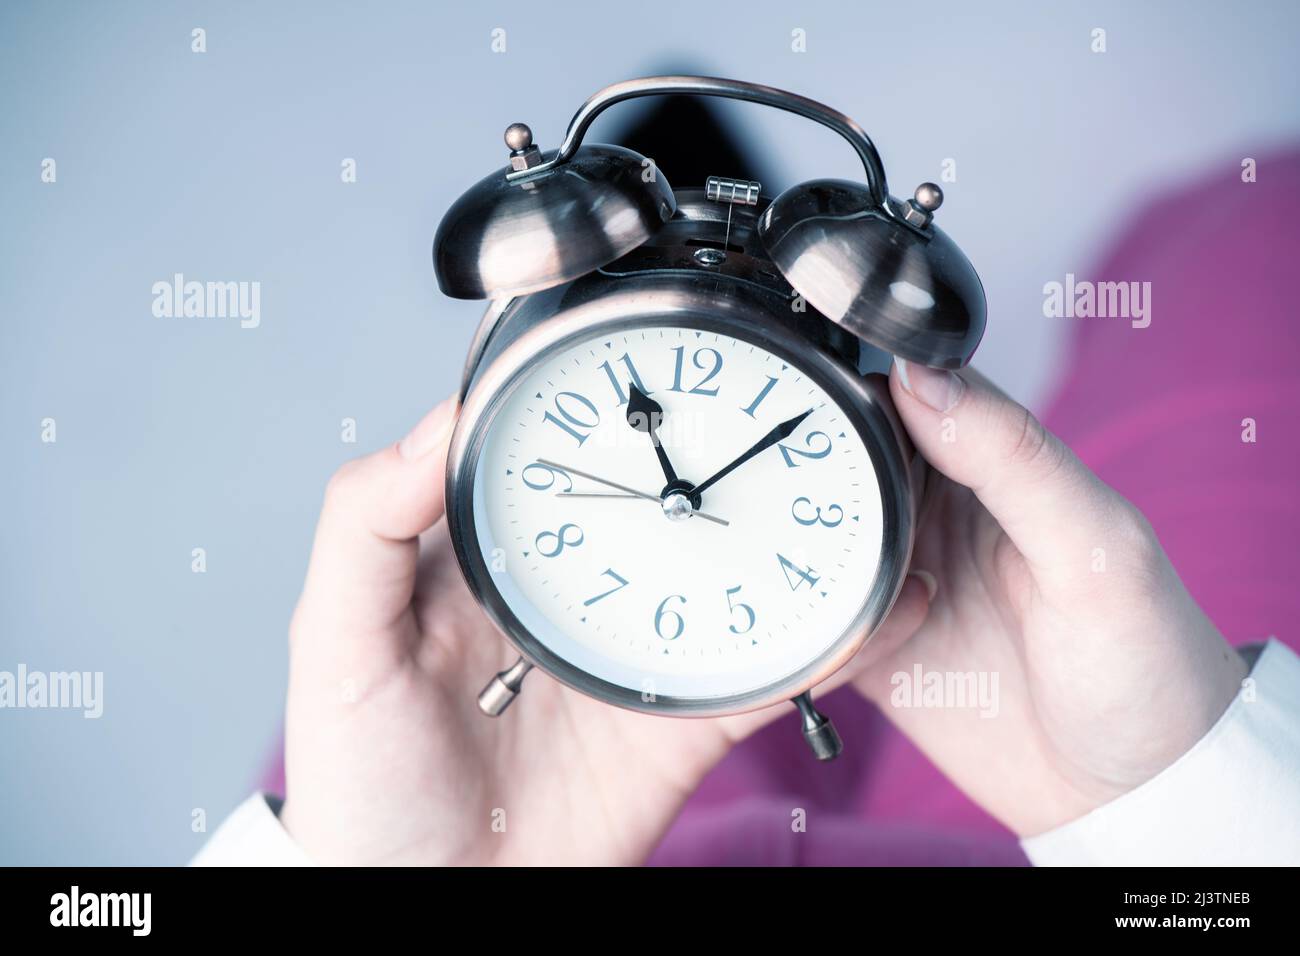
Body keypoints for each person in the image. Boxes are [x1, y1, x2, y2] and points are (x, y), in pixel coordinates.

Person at [193, 150, 1300, 867]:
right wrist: (1162, 797)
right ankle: (726, 219)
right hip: (1014, 810)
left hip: (574, 746)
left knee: (440, 659)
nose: (674, 493)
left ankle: (671, 207)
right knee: (1252, 248)